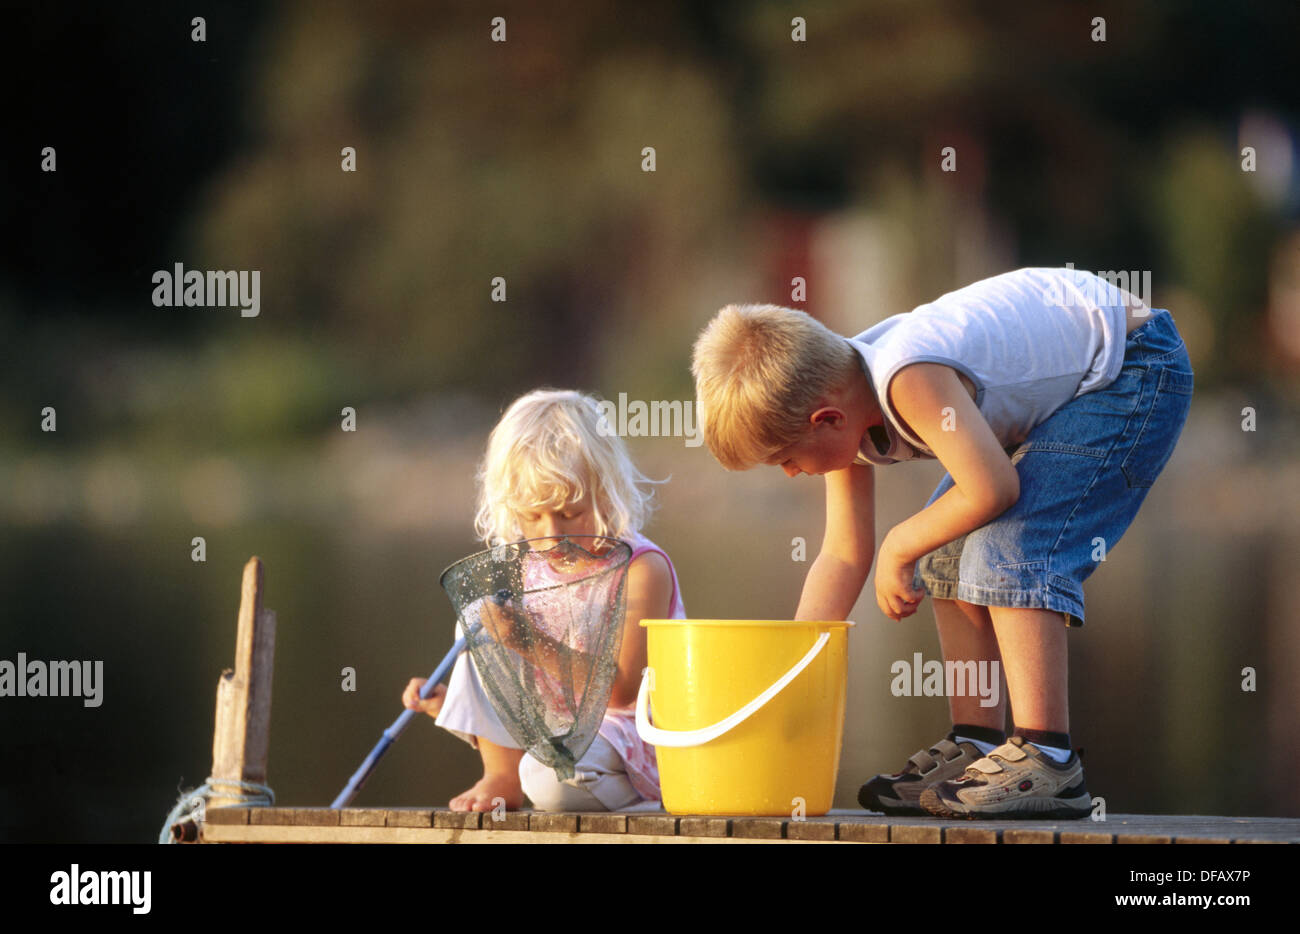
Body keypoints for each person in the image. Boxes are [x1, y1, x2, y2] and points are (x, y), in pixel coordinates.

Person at [690, 267, 1193, 818]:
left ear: (826, 419)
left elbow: (994, 489)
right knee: (944, 548)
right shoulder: (843, 404)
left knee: (1012, 547)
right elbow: (842, 553)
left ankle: (1048, 759)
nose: (788, 474)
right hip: (1069, 387)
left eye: (785, 459)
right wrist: (793, 675)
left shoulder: (908, 379)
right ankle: (977, 741)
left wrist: (899, 544)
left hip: (1133, 364)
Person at [402, 388, 685, 812]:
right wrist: (460, 701)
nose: (552, 536)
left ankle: (650, 801)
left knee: (547, 777)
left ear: (606, 495)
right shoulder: (533, 567)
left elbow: (624, 692)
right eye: (532, 516)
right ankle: (501, 775)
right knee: (479, 618)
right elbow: (530, 685)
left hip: (630, 736)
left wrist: (528, 641)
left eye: (569, 513)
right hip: (556, 734)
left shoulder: (641, 569)